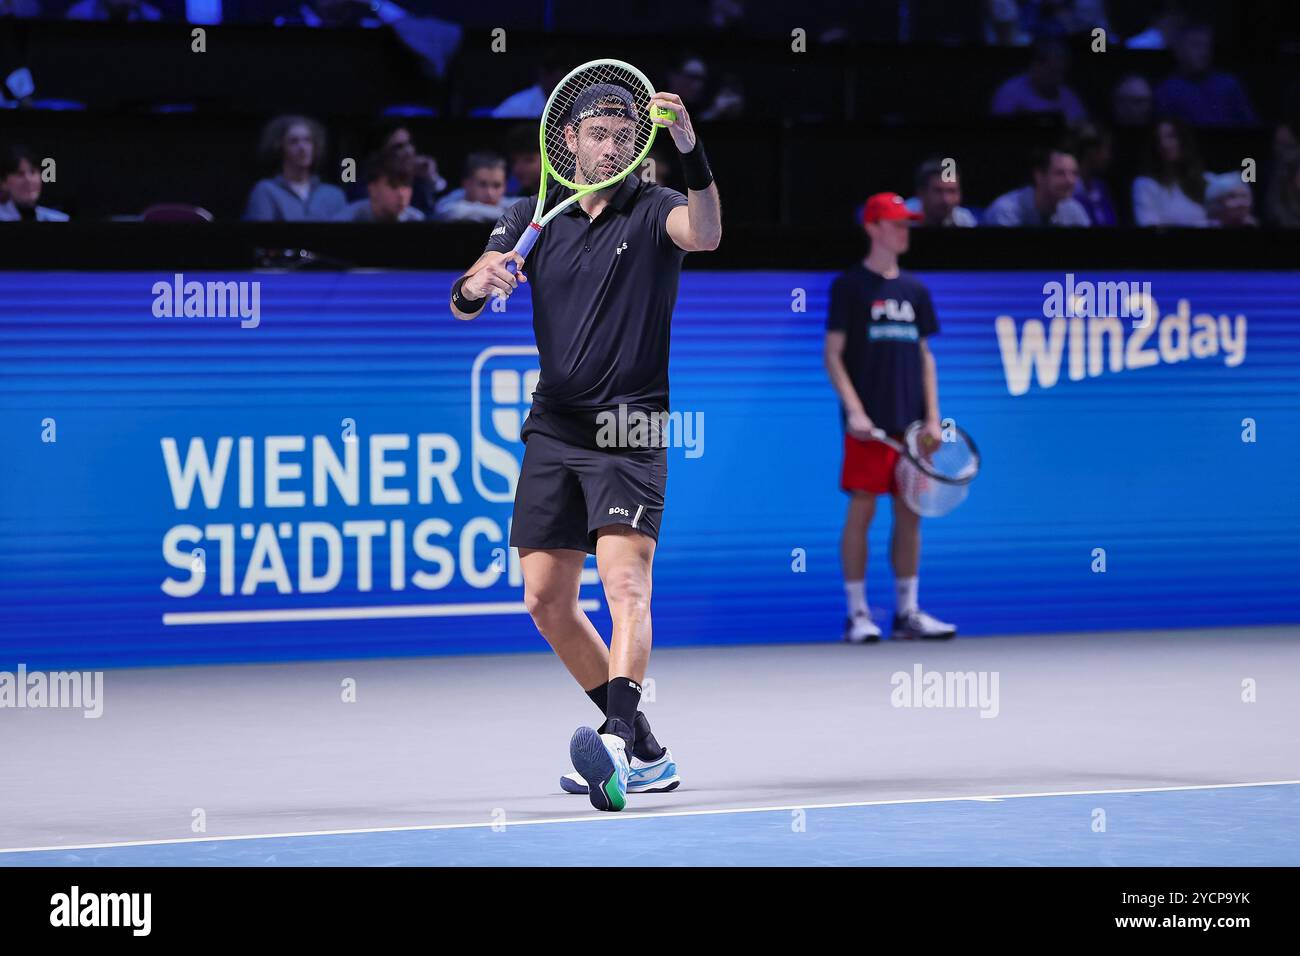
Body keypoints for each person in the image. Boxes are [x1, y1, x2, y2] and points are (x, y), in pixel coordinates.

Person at [448, 84, 722, 812]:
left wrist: (690, 147)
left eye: (624, 134)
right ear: (568, 140)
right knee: (546, 601)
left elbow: (709, 233)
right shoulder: (529, 215)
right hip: (556, 423)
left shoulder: (657, 207)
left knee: (625, 588)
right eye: (599, 132)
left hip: (630, 427)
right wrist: (482, 279)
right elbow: (464, 297)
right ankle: (648, 751)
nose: (612, 145)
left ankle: (616, 740)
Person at [824, 192, 955, 644]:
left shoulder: (916, 290)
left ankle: (907, 611)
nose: (905, 231)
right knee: (862, 509)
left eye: (907, 224)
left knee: (910, 514)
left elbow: (925, 358)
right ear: (874, 227)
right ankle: (858, 614)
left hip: (911, 427)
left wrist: (933, 418)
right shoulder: (850, 286)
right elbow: (833, 355)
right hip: (869, 426)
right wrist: (855, 411)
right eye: (897, 224)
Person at [1153, 20, 1256, 128]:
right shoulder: (1166, 91)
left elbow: (1251, 127)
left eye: (1207, 45)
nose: (1203, 52)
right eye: (1196, 45)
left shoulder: (1229, 85)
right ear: (1178, 49)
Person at [243, 115, 347, 221]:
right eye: (294, 141)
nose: (302, 147)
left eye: (307, 140)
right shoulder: (265, 191)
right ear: (279, 146)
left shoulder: (334, 195)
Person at [984, 146, 1090, 226]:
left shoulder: (1073, 209)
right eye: (1060, 173)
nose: (1070, 181)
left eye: (1074, 173)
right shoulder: (1005, 211)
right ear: (1039, 176)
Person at [990, 37, 1088, 122]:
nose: (1058, 80)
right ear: (1036, 66)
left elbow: (1083, 129)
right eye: (1053, 72)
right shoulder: (1010, 92)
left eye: (1061, 73)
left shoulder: (1068, 95)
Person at [1131, 118, 1208, 226]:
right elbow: (1148, 225)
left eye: (1171, 137)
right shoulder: (1145, 185)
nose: (1165, 144)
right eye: (1158, 139)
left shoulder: (1204, 181)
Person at [334, 153, 425, 222]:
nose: (401, 194)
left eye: (406, 185)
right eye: (393, 185)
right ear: (372, 189)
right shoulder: (346, 219)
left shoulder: (417, 219)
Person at [431, 151, 516, 223]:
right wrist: (500, 213)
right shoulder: (447, 205)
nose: (490, 193)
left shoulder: (509, 204)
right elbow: (450, 212)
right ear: (467, 184)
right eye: (483, 185)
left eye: (497, 185)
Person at [0, 144, 68, 221]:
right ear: (3, 182)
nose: (28, 180)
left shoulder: (60, 219)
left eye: (33, 172)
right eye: (20, 174)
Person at [1070, 122, 1118, 226]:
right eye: (1106, 150)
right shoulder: (1069, 188)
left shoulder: (1101, 188)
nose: (1108, 157)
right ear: (1090, 151)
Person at [906, 158, 977, 227]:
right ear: (921, 193)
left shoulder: (964, 220)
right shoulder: (902, 218)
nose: (946, 200)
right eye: (938, 191)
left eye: (952, 191)